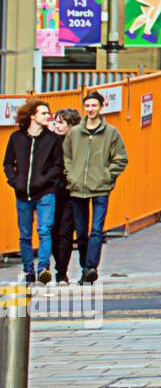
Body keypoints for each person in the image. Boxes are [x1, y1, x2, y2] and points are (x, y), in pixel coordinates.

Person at [62, 90, 128, 285]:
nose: (90, 109)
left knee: (96, 230)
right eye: (88, 106)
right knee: (81, 233)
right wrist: (70, 175)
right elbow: (67, 156)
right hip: (77, 187)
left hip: (100, 188)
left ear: (101, 107)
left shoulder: (111, 133)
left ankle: (91, 267)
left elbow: (121, 158)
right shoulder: (74, 133)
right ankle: (85, 269)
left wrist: (108, 176)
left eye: (94, 106)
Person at [4, 100, 62, 284]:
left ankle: (43, 268)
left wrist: (43, 180)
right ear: (32, 116)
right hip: (22, 194)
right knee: (25, 234)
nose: (48, 116)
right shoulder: (16, 138)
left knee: (44, 230)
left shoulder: (52, 139)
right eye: (44, 113)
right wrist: (15, 181)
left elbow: (58, 166)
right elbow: (7, 163)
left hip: (46, 192)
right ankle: (29, 270)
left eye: (48, 113)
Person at [48, 109, 80, 285]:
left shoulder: (77, 143)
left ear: (71, 126)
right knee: (52, 232)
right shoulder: (50, 142)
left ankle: (61, 272)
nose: (56, 126)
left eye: (60, 123)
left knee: (65, 232)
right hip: (52, 192)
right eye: (56, 122)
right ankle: (59, 267)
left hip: (70, 192)